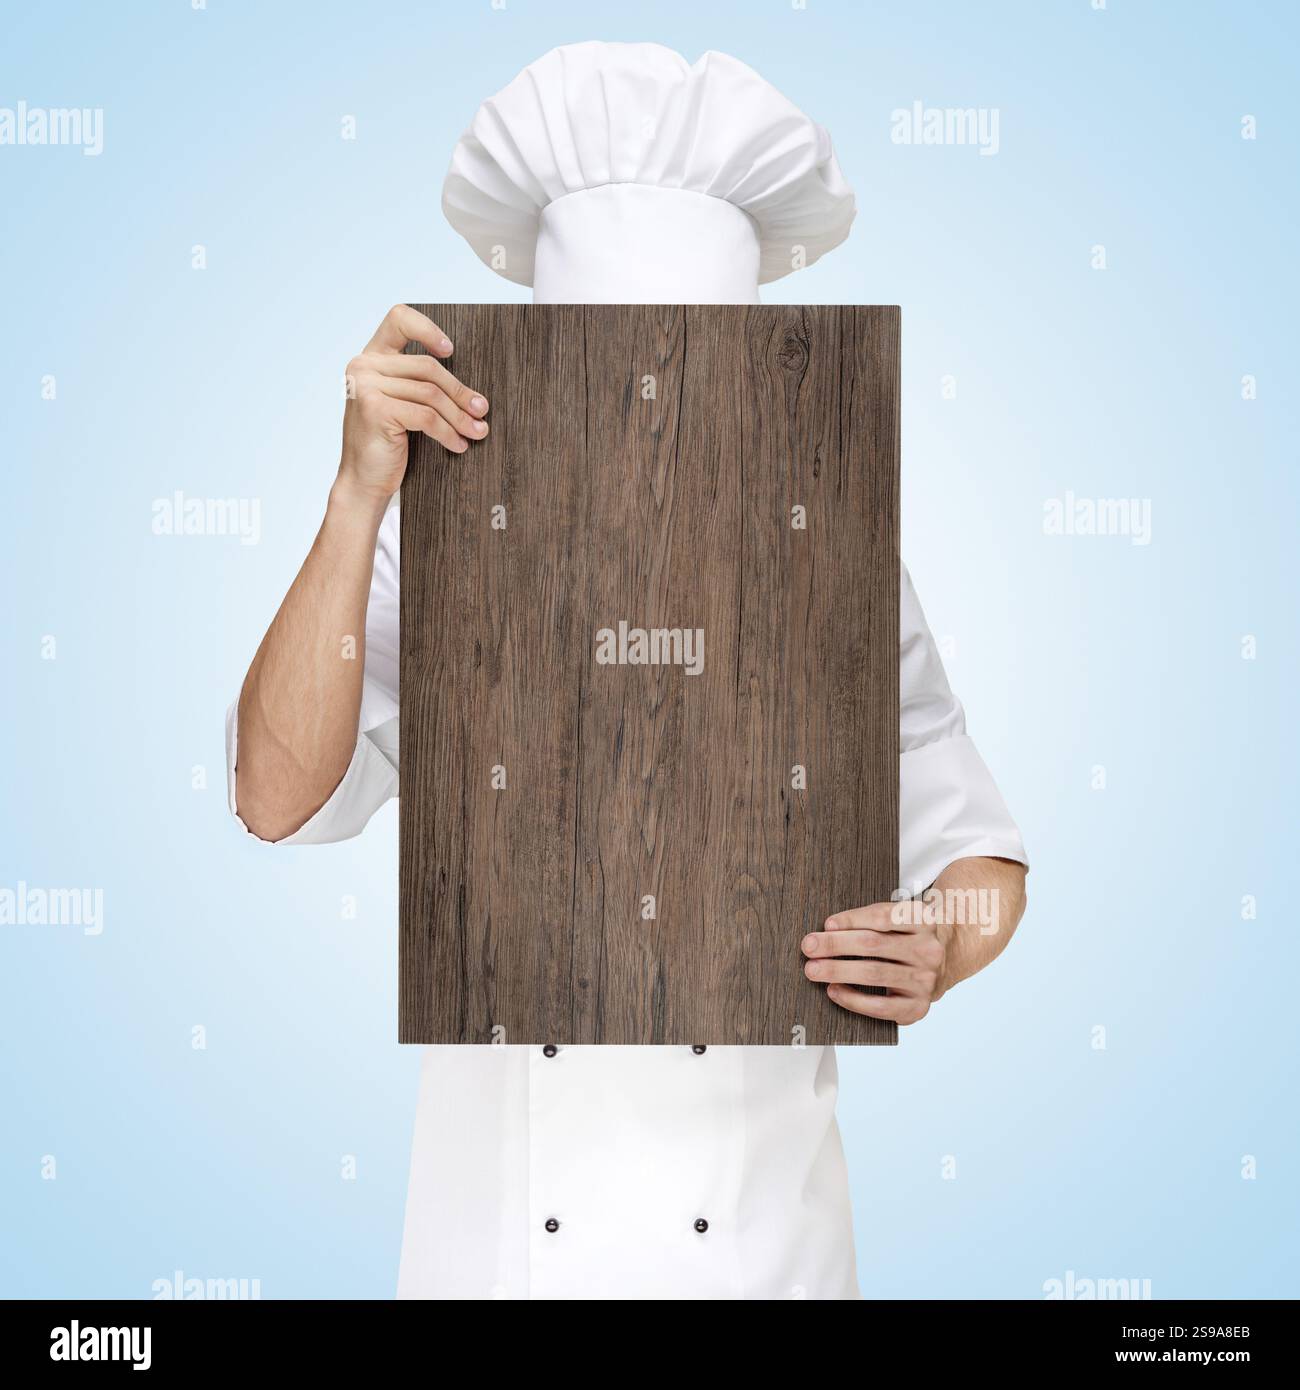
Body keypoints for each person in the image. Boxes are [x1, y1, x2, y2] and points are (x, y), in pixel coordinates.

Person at [225, 42, 1028, 1300]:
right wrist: (353, 499)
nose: (648, 413)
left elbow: (977, 858)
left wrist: (938, 939)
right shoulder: (436, 547)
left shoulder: (832, 554)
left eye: (684, 377)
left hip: (770, 1257)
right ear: (539, 370)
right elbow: (273, 796)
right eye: (606, 378)